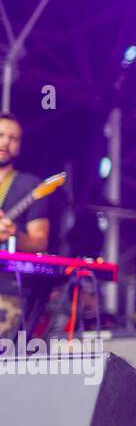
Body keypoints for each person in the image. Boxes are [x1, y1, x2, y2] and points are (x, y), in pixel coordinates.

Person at [0, 113, 52, 339]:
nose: (5, 142)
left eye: (13, 138)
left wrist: (14, 235)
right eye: (1, 135)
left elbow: (40, 242)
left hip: (7, 291)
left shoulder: (30, 185)